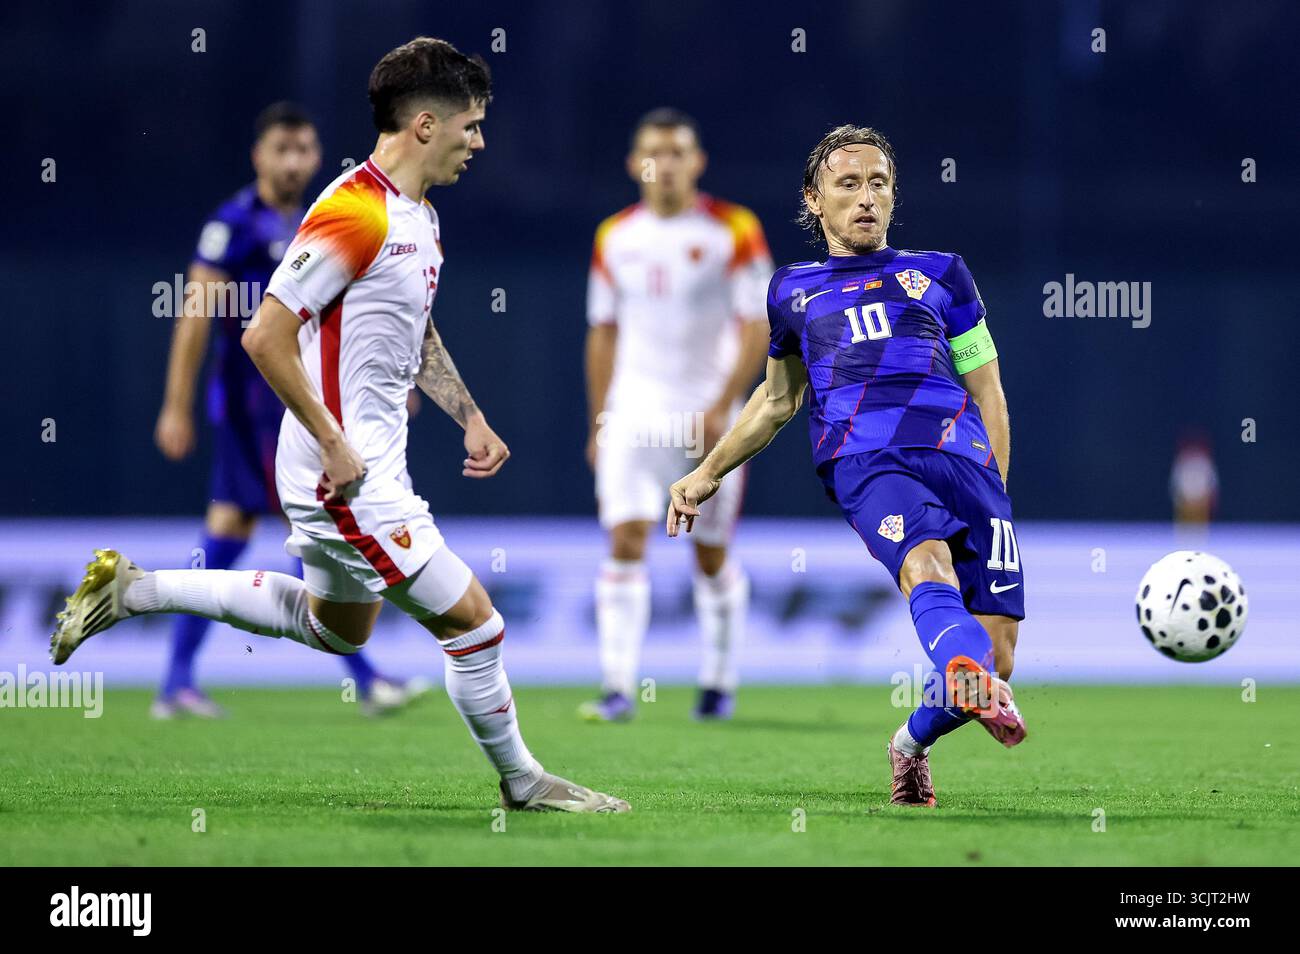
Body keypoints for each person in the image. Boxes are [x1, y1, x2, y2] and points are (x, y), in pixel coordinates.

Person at [53, 37, 627, 813]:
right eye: (472, 125)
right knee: (477, 624)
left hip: (360, 462)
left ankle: (135, 591)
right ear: (426, 125)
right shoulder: (353, 209)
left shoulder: (417, 215)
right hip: (345, 473)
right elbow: (264, 333)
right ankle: (525, 782)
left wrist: (471, 416)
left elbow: (413, 332)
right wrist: (332, 438)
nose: (481, 142)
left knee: (336, 631)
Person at [667, 125, 1027, 806]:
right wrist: (706, 471)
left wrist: (996, 489)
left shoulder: (944, 273)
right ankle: (960, 669)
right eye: (849, 184)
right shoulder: (793, 291)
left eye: (879, 183)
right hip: (865, 458)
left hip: (965, 460)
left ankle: (910, 742)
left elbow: (988, 389)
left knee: (999, 653)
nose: (867, 198)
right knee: (926, 563)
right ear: (815, 199)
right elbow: (777, 401)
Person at [153, 101, 426, 719]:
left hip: (307, 403)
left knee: (253, 527)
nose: (295, 161)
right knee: (277, 527)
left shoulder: (324, 216)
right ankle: (362, 676)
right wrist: (177, 405)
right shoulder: (234, 224)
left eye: (305, 149)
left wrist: (392, 377)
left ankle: (176, 683)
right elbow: (195, 316)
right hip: (253, 408)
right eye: (283, 149)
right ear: (259, 156)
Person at [581, 109, 771, 722]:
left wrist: (724, 403)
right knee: (625, 539)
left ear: (698, 162)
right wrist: (598, 418)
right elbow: (603, 332)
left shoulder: (733, 230)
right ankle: (616, 688)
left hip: (708, 419)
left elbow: (758, 322)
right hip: (635, 413)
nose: (665, 165)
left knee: (709, 553)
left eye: (678, 152)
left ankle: (718, 682)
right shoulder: (614, 236)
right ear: (637, 164)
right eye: (653, 153)